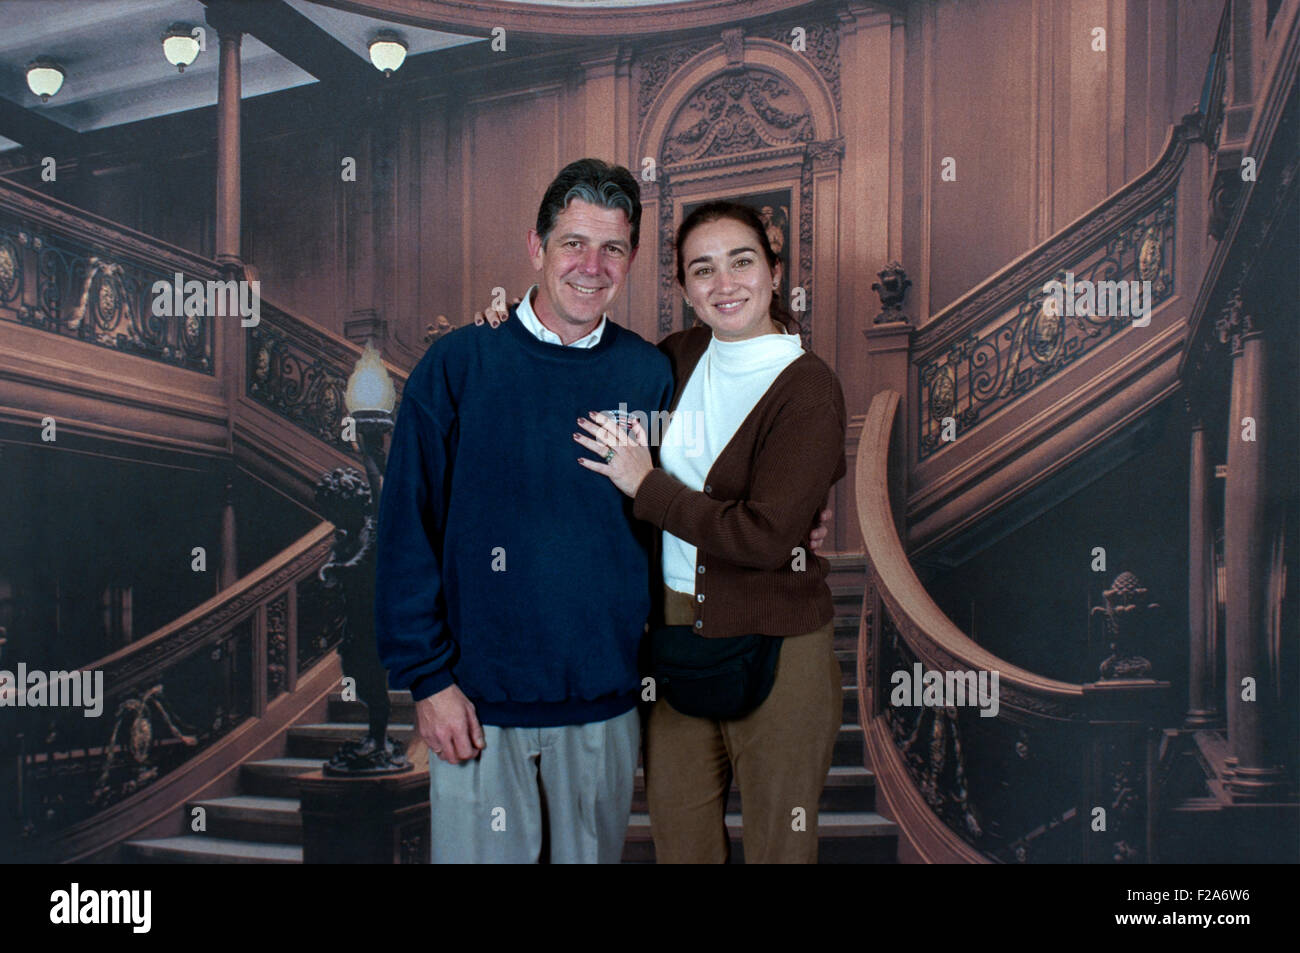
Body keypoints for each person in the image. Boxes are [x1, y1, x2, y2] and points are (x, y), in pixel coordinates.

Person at [481, 200, 847, 863]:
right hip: (676, 644)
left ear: (773, 270)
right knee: (679, 845)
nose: (724, 283)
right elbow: (579, 377)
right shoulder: (675, 358)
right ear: (683, 288)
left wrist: (648, 486)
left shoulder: (809, 388)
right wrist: (510, 331)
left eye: (741, 262)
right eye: (702, 270)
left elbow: (764, 538)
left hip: (781, 646)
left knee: (780, 850)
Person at [374, 158, 674, 863]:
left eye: (613, 248)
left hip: (603, 701)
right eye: (573, 242)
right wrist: (429, 679)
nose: (591, 266)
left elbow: (679, 514)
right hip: (474, 703)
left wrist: (794, 526)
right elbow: (405, 532)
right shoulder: (458, 365)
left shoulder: (649, 373)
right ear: (535, 248)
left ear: (630, 260)